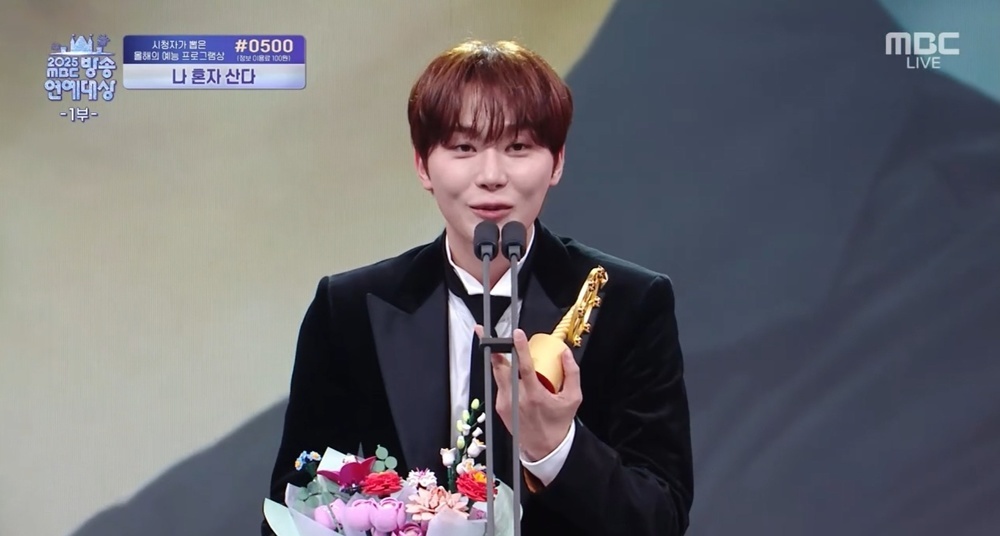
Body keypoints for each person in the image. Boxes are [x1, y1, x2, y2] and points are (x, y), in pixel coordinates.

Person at [263, 39, 694, 535]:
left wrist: (555, 449)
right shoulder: (349, 310)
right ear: (423, 164)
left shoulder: (627, 303)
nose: (491, 176)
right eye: (464, 148)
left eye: (518, 147)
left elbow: (661, 518)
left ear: (556, 162)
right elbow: (293, 505)